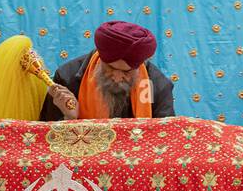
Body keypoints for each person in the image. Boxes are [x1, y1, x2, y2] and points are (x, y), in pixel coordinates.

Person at [40, 20, 174, 120]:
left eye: (126, 72)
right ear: (101, 57)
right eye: (110, 68)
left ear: (140, 65)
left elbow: (166, 138)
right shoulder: (67, 78)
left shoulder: (156, 85)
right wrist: (69, 118)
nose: (116, 77)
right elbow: (45, 141)